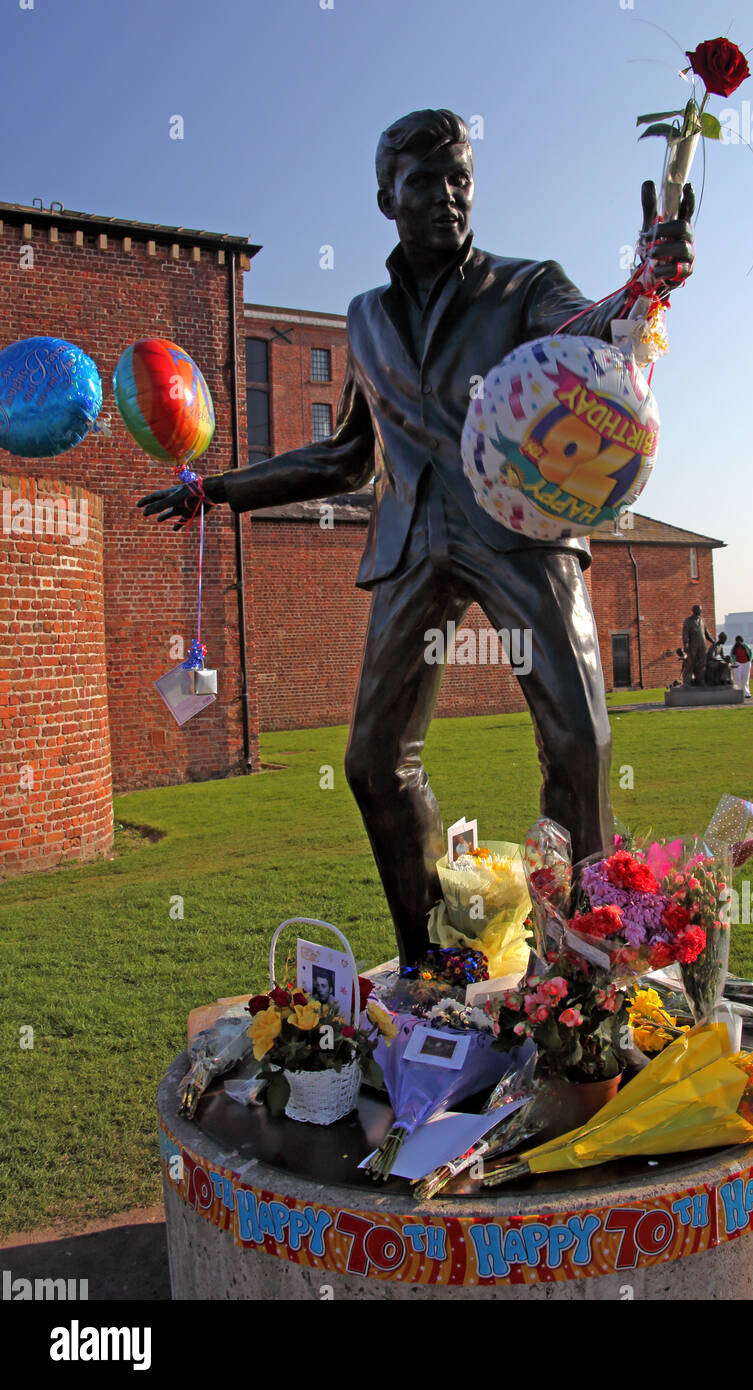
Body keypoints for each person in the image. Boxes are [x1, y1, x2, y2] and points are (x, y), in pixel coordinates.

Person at [137, 108, 696, 967]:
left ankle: (588, 964)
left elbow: (587, 329)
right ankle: (437, 953)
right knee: (371, 763)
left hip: (521, 531)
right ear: (385, 198)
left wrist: (644, 285)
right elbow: (347, 456)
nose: (447, 197)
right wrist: (218, 489)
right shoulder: (363, 318)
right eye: (426, 182)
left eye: (460, 179)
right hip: (411, 544)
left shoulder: (523, 284)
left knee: (579, 741)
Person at [681, 604, 713, 687]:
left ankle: (701, 680)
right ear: (694, 611)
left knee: (702, 663)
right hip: (693, 645)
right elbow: (685, 634)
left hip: (702, 645)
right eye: (699, 610)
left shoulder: (702, 620)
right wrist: (685, 645)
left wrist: (713, 641)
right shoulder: (688, 621)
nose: (700, 612)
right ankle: (687, 681)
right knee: (691, 663)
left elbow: (706, 633)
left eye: (701, 610)